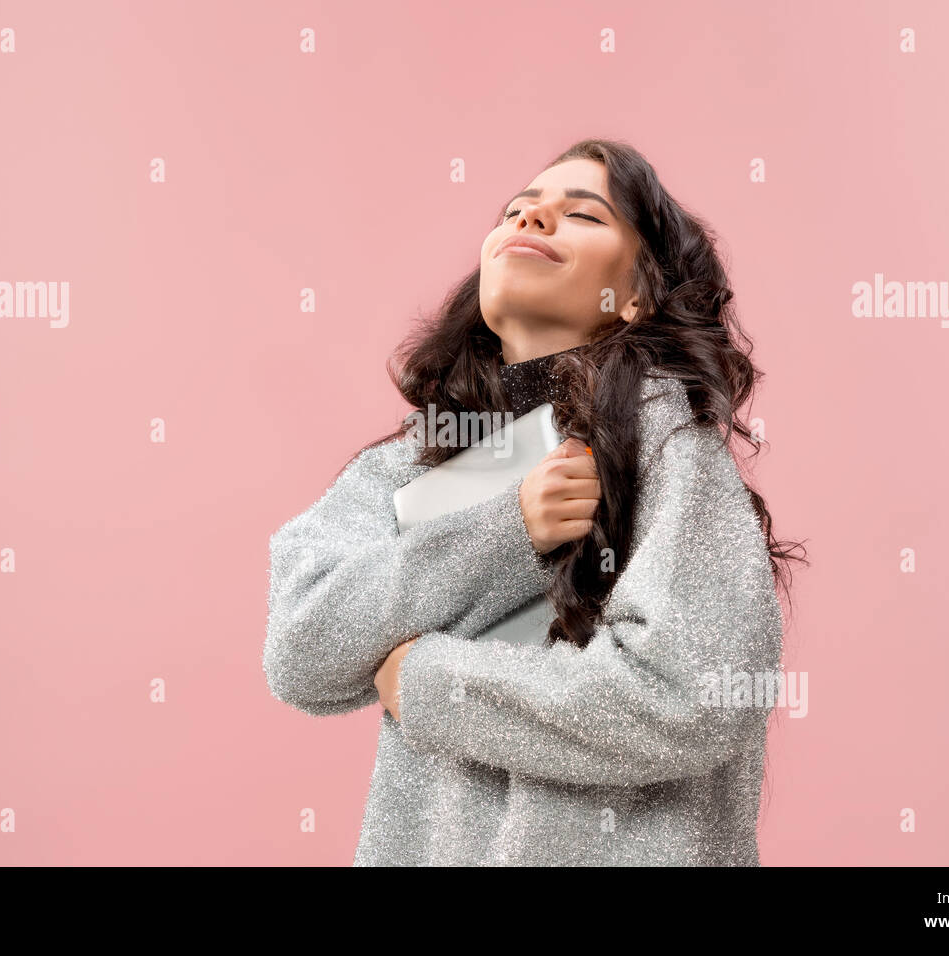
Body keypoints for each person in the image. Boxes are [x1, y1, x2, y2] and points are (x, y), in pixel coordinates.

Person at [263, 138, 806, 865]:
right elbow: (302, 647)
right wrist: (509, 530)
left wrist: (428, 681)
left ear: (638, 292)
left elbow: (696, 694)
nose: (534, 219)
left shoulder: (664, 441)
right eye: (517, 210)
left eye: (582, 215)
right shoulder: (409, 463)